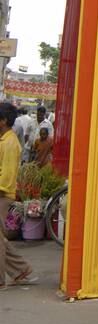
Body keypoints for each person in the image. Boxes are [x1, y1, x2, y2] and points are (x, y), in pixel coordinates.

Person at [0, 102, 38, 289]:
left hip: (3, 194)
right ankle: (21, 269)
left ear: (4, 121)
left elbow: (6, 176)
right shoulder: (5, 140)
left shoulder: (10, 143)